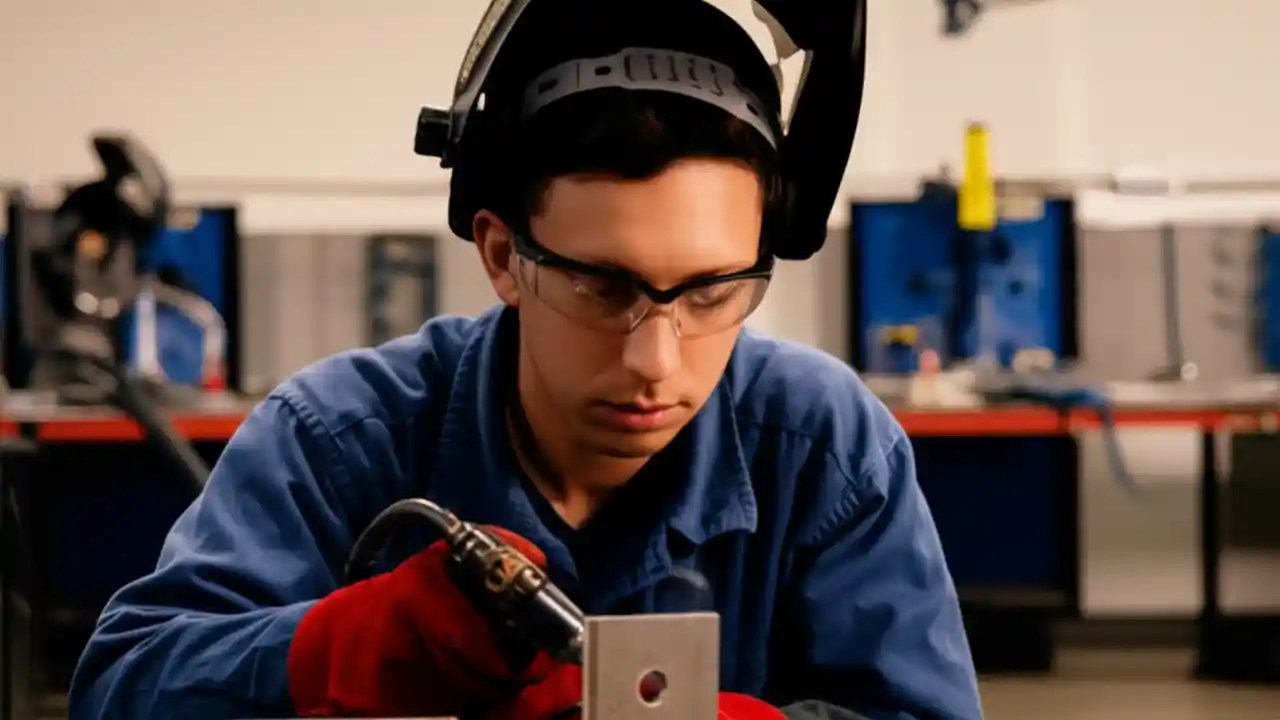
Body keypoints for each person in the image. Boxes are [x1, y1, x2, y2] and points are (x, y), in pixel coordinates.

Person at [68, 1, 984, 718]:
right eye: (603, 288)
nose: (655, 360)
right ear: (503, 255)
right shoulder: (341, 434)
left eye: (711, 292)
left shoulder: (823, 444)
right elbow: (122, 688)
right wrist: (348, 646)